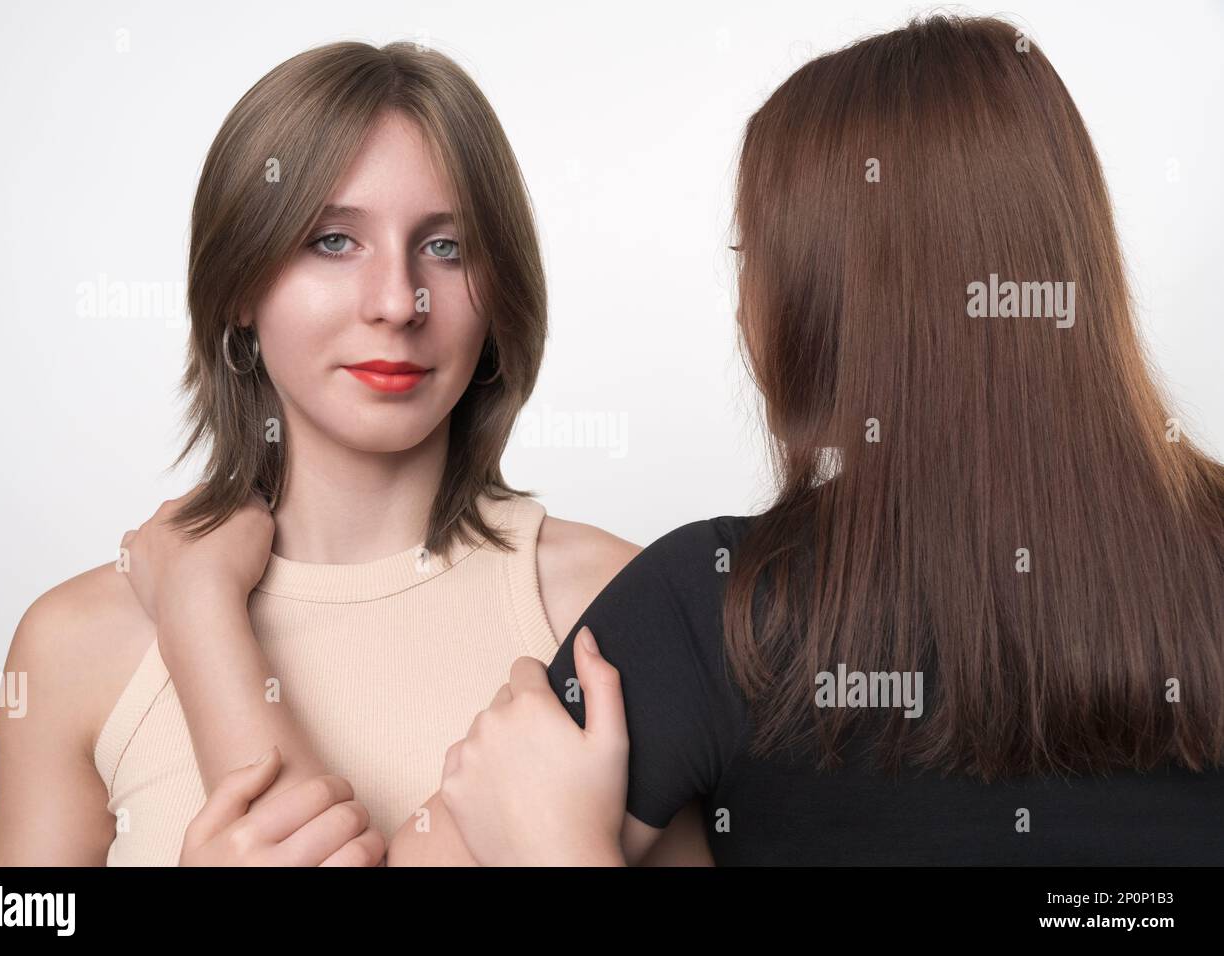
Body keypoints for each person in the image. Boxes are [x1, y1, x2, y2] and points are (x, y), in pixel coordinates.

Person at [427, 14, 1224, 866]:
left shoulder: (712, 610)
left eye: (753, 261)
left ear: (818, 304)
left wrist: (558, 851)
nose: (742, 311)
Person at [0, 40, 710, 866]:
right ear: (239, 288)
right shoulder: (72, 642)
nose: (398, 301)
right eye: (332, 241)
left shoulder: (617, 609)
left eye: (447, 247)